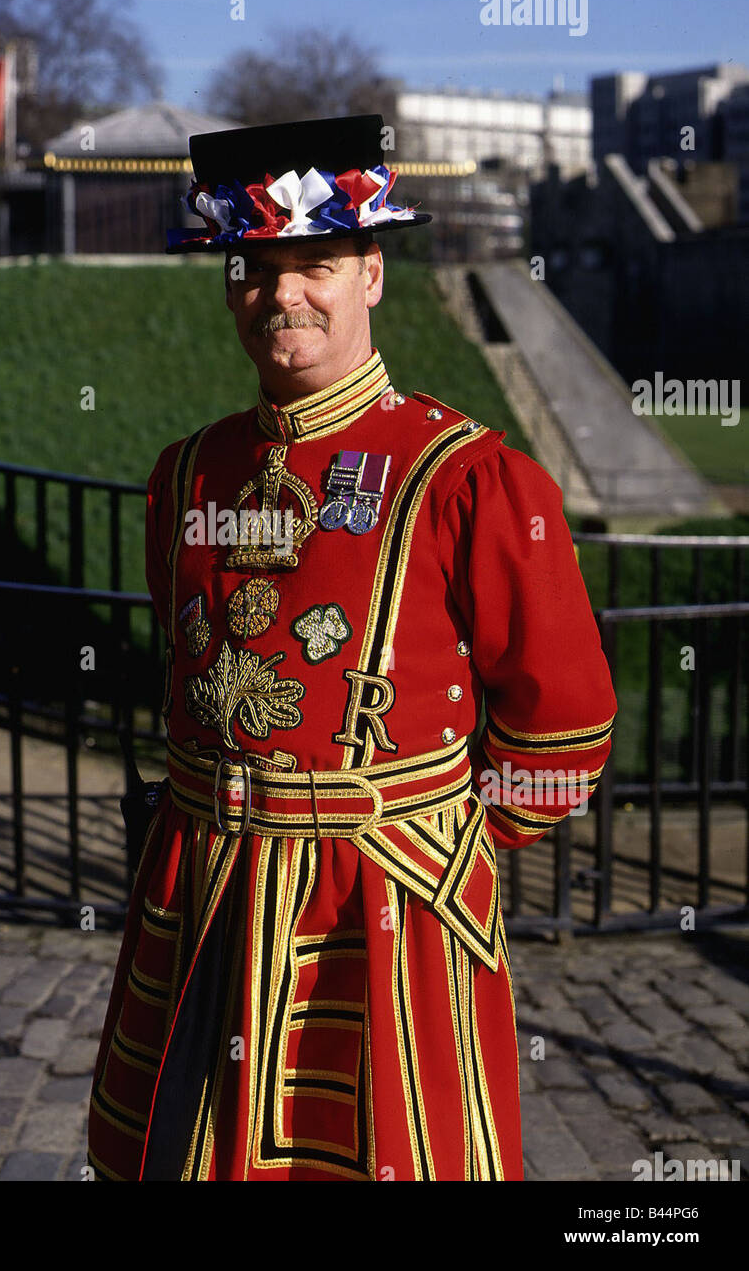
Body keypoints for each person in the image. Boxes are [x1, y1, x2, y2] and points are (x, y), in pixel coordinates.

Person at [87, 114, 616, 1181]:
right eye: (253, 267)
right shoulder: (185, 474)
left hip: (379, 912)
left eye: (315, 263)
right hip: (207, 900)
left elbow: (564, 733)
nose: (282, 294)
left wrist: (425, 841)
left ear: (371, 274)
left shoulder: (471, 476)